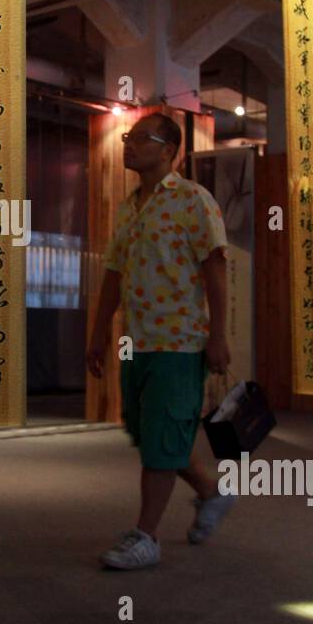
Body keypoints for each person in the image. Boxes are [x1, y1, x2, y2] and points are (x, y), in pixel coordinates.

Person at [86, 112, 234, 569]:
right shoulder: (130, 205)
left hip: (180, 342)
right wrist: (97, 334)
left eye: (140, 139)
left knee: (161, 438)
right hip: (138, 342)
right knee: (149, 433)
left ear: (170, 151)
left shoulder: (194, 200)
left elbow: (215, 270)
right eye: (127, 138)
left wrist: (218, 336)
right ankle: (211, 491)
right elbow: (113, 273)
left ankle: (145, 537)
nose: (128, 145)